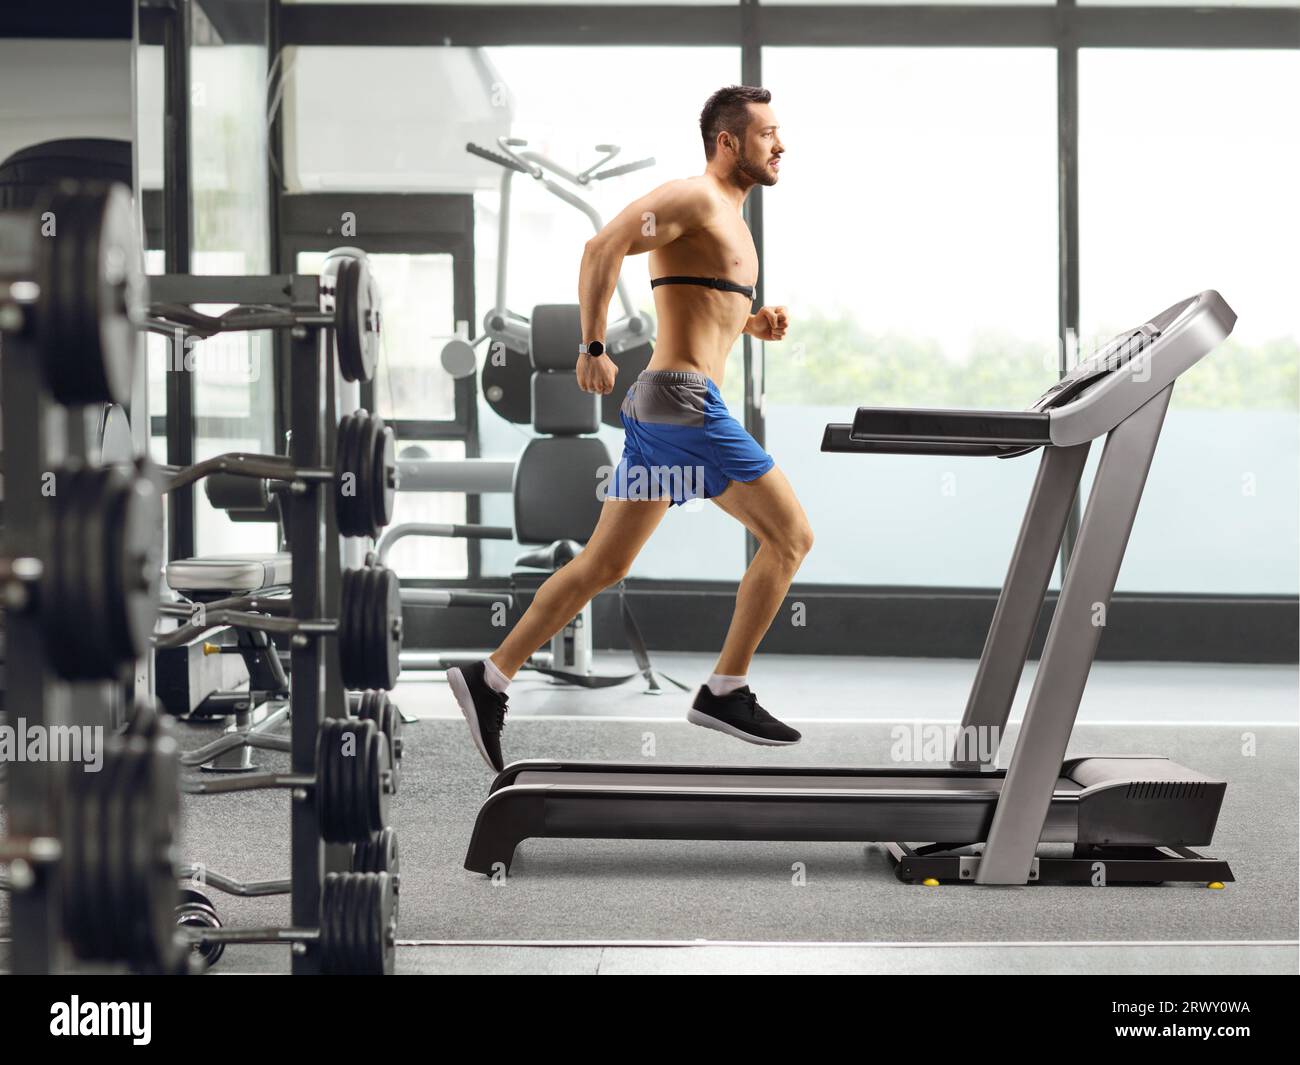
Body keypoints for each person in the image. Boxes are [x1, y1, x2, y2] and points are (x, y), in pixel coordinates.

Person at [448, 85, 813, 772]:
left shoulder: (728, 220)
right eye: (767, 133)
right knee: (791, 537)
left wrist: (752, 322)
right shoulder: (695, 197)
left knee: (603, 563)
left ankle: (489, 677)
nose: (781, 144)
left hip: (665, 404)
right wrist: (591, 346)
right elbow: (601, 246)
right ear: (727, 141)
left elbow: (702, 305)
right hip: (682, 401)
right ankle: (725, 687)